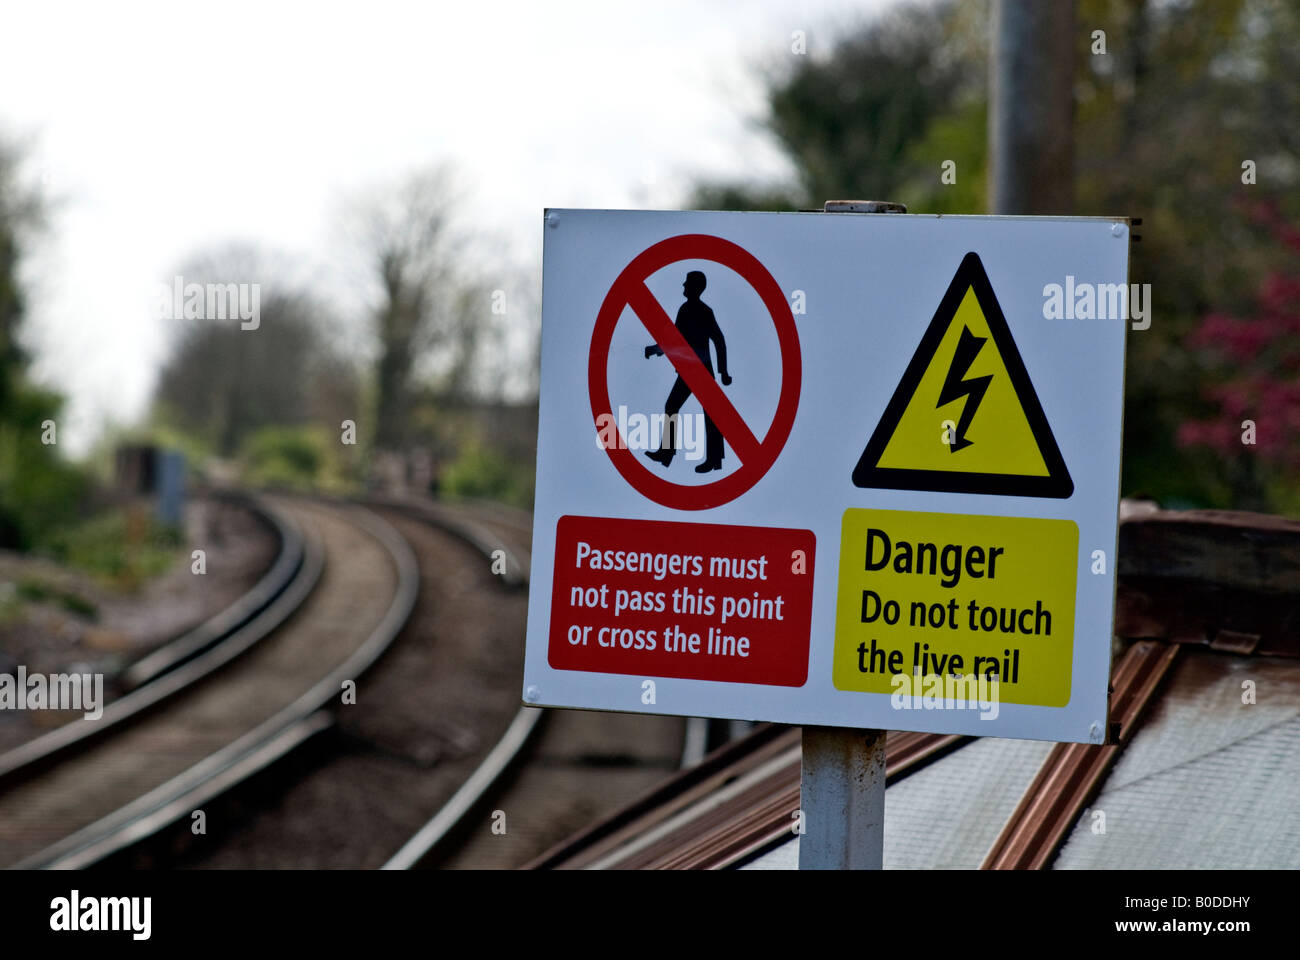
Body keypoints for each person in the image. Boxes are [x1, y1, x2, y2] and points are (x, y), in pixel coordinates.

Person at [643, 270, 731, 472]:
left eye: (687, 284)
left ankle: (709, 459)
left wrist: (723, 372)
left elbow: (719, 341)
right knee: (676, 407)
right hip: (690, 369)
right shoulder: (685, 310)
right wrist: (655, 349)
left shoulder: (702, 311)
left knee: (707, 413)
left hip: (700, 370)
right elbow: (673, 339)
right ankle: (668, 452)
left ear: (695, 287)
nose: (683, 286)